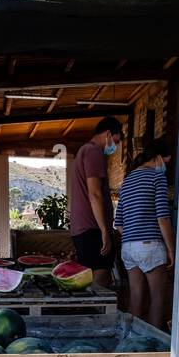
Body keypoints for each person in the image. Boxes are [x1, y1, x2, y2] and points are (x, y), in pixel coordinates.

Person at [113, 137, 175, 328]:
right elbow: (162, 218)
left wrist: (133, 236)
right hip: (151, 246)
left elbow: (118, 222)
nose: (165, 167)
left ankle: (131, 342)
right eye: (165, 162)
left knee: (135, 298)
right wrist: (171, 249)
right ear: (157, 158)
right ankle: (153, 348)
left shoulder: (127, 181)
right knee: (157, 300)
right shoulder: (157, 177)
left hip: (128, 247)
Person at [69, 117, 123, 289]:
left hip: (84, 228)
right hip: (92, 228)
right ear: (107, 134)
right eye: (116, 141)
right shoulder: (93, 152)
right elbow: (95, 193)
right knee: (101, 281)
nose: (115, 147)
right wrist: (105, 230)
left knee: (90, 280)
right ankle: (98, 315)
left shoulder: (83, 151)